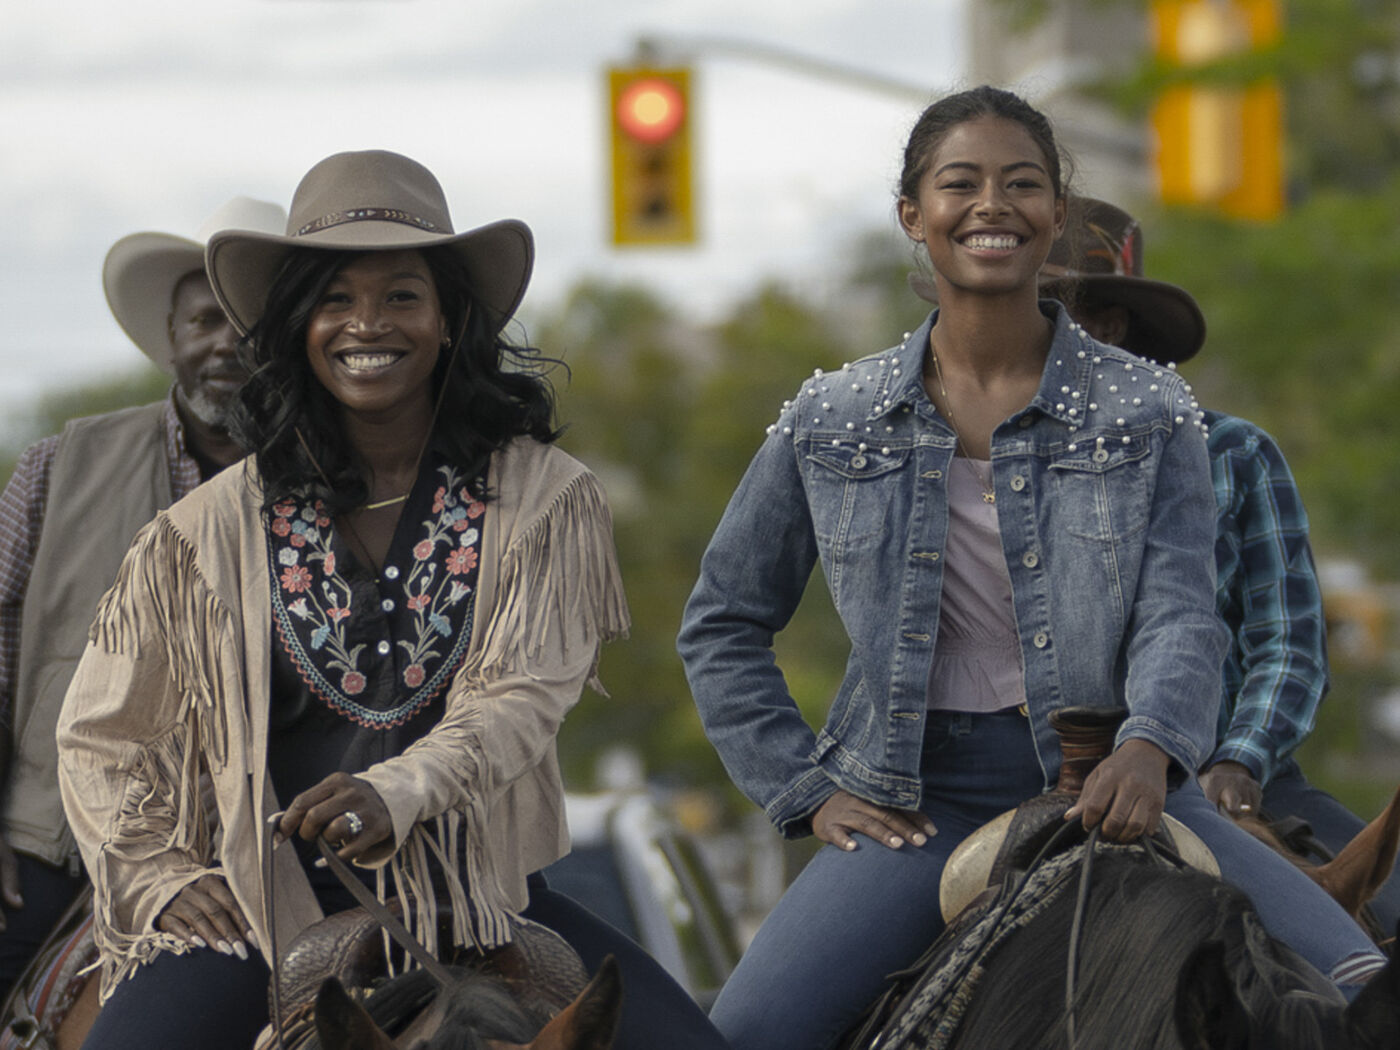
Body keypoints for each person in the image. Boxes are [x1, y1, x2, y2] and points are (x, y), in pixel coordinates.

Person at [676, 85, 1386, 1050]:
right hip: (917, 799)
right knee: (752, 1030)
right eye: (959, 183)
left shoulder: (1151, 407)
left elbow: (1184, 612)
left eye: (1022, 184)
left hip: (1118, 778)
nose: (991, 205)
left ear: (1055, 214)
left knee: (1354, 989)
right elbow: (722, 618)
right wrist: (802, 789)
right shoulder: (830, 415)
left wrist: (1151, 747)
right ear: (912, 216)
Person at [57, 150, 728, 1050]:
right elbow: (103, 734)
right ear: (299, 324)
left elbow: (521, 696)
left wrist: (397, 791)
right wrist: (161, 874)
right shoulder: (199, 536)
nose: (366, 323)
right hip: (268, 907)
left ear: (449, 319)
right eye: (335, 298)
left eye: (401, 296)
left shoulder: (547, 500)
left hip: (483, 897)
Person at [1038, 194, 1400, 930]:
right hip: (1040, 782)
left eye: (1056, 312)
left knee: (1384, 912)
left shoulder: (1233, 453)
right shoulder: (974, 460)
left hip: (1227, 777)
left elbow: (1288, 642)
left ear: (1111, 326)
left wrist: (1238, 761)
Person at [0, 196, 286, 999]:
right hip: (52, 840)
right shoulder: (57, 468)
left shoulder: (334, 484)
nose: (226, 344)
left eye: (250, 324)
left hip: (254, 853)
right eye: (203, 322)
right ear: (172, 340)